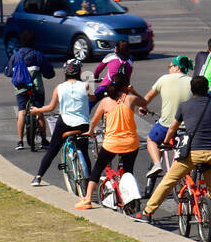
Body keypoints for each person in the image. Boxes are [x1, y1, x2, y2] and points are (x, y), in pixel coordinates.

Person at [135, 76, 211, 242]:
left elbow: (172, 127)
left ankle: (148, 212)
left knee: (169, 180)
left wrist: (166, 142)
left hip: (193, 153)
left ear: (191, 90)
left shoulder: (185, 106)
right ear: (207, 89)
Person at [75, 71, 146, 209]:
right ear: (126, 86)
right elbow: (144, 102)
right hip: (131, 143)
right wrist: (133, 91)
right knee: (128, 170)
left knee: (98, 168)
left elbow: (94, 120)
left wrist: (90, 132)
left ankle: (88, 198)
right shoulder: (130, 98)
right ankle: (129, 198)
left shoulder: (105, 102)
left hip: (111, 143)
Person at [29, 59, 92, 186]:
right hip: (83, 123)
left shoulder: (60, 88)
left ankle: (38, 176)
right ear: (79, 71)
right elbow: (93, 98)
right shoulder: (86, 86)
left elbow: (51, 107)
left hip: (65, 122)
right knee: (84, 151)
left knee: (52, 149)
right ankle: (90, 180)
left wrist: (37, 110)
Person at [4, 28, 55, 150]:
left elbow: (8, 72)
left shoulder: (15, 56)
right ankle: (43, 140)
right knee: (39, 112)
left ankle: (20, 142)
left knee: (22, 112)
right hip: (36, 87)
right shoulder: (38, 55)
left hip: (21, 88)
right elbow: (49, 73)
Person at [141, 56, 193, 174]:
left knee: (151, 139)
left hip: (167, 126)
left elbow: (147, 98)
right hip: (187, 127)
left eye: (170, 66)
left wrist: (142, 107)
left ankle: (157, 163)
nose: (169, 69)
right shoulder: (192, 81)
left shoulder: (163, 79)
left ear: (176, 67)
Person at [92, 40, 133, 105]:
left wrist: (95, 76)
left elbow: (99, 68)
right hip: (120, 88)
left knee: (91, 101)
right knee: (120, 105)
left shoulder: (110, 56)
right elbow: (128, 79)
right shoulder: (130, 62)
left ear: (116, 48)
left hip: (107, 84)